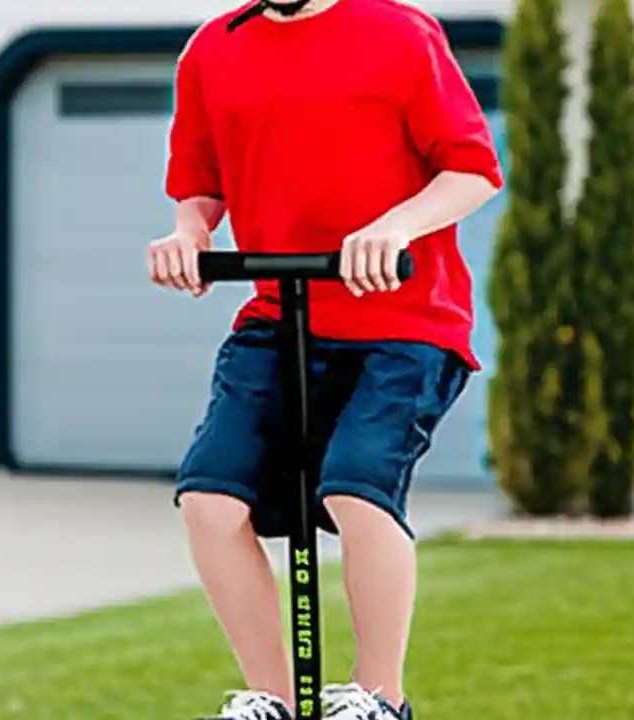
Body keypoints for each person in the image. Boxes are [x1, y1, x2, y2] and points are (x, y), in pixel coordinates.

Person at [147, 0, 503, 717]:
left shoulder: (400, 32)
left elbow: (473, 170)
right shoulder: (213, 49)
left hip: (406, 320)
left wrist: (394, 226)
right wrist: (187, 233)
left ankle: (378, 698)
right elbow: (200, 184)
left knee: (355, 487)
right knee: (210, 501)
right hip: (280, 315)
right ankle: (271, 700)